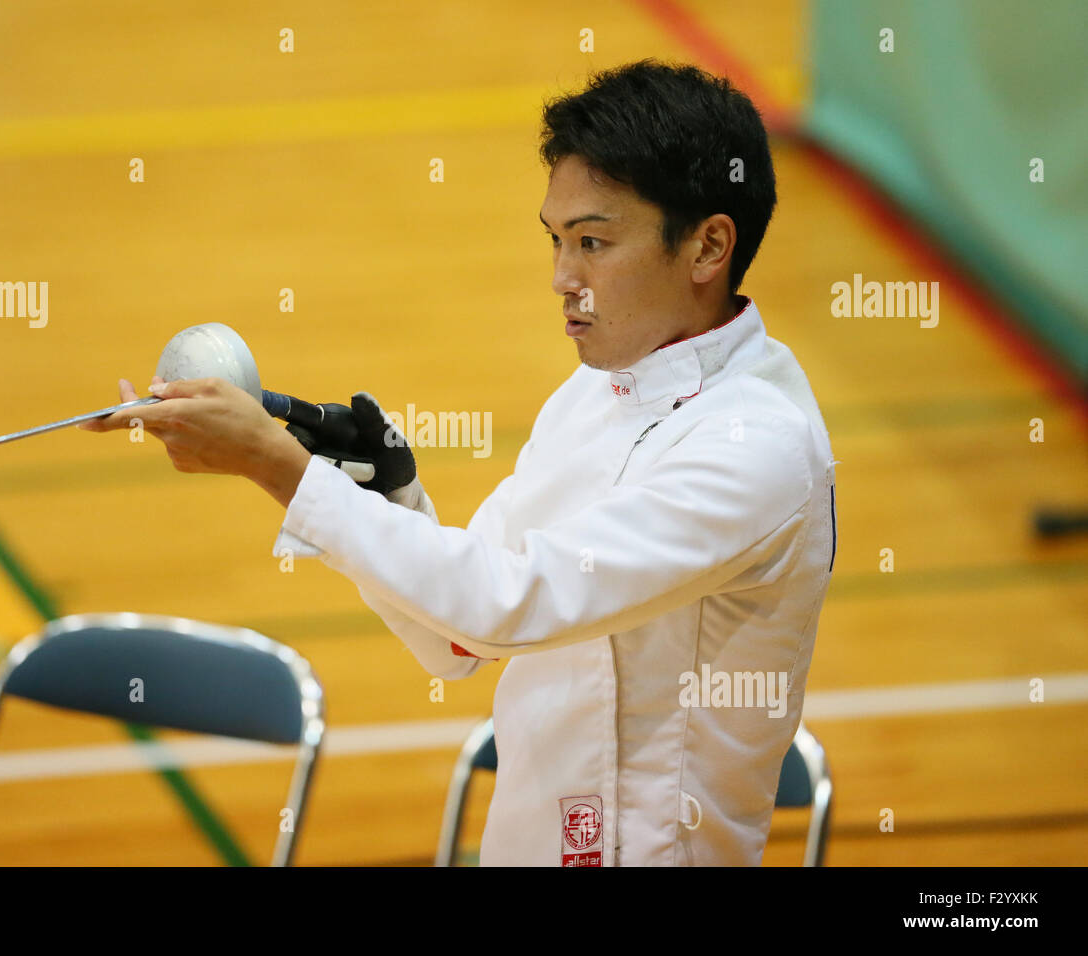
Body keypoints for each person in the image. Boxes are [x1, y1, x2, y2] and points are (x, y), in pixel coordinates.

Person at [82, 60, 837, 866]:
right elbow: (459, 643)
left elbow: (503, 605)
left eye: (593, 242)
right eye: (555, 241)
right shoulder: (596, 395)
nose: (561, 279)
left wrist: (277, 469)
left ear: (707, 246)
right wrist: (385, 494)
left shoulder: (759, 450)